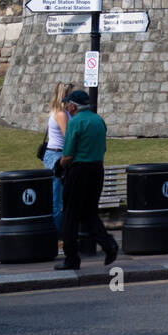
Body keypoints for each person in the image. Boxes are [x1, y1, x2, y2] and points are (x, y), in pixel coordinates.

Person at [57, 89, 119, 270]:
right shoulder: (99, 120)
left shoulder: (75, 122)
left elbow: (68, 156)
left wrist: (59, 165)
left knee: (70, 215)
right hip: (97, 170)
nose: (66, 106)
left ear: (73, 106)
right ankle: (108, 244)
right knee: (89, 212)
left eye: (67, 103)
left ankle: (71, 259)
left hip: (79, 171)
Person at [43, 81, 71, 233]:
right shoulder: (61, 114)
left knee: (58, 196)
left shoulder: (58, 112)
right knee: (57, 198)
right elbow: (68, 137)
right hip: (57, 155)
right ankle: (57, 235)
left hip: (54, 153)